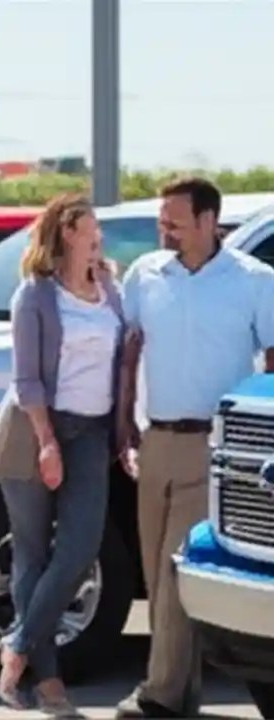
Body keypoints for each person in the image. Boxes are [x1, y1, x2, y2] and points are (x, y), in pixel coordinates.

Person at [116, 177, 274, 718]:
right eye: (163, 219)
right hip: (155, 439)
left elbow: (273, 362)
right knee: (153, 567)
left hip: (213, 446)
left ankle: (158, 693)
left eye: (175, 221)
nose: (166, 229)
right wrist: (124, 427)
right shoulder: (145, 276)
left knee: (175, 567)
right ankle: (180, 692)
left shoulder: (254, 282)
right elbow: (130, 352)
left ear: (209, 221)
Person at [0, 192, 125, 717]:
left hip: (90, 432)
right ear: (68, 231)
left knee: (81, 546)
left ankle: (16, 646)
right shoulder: (35, 296)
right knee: (31, 553)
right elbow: (26, 380)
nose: (99, 239)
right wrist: (46, 442)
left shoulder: (110, 289)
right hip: (32, 429)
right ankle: (49, 686)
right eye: (92, 229)